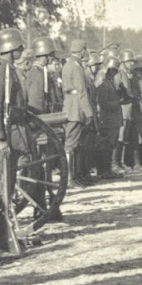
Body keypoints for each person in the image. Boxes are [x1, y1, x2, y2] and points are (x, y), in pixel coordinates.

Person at [0, 26, 31, 254]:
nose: (21, 50)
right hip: (3, 137)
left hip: (12, 134)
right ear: (11, 48)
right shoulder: (0, 70)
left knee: (7, 186)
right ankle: (0, 237)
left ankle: (5, 234)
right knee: (0, 188)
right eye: (19, 47)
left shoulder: (8, 68)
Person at [60, 36, 97, 187]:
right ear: (82, 51)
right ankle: (69, 178)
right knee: (71, 145)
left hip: (70, 105)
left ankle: (74, 176)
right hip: (76, 109)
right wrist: (89, 113)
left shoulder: (68, 64)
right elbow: (82, 91)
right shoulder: (76, 66)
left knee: (75, 144)